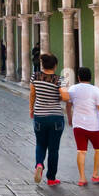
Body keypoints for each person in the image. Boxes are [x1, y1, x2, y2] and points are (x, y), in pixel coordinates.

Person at [28, 52, 70, 186]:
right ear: (55, 66)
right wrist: (59, 96)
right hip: (55, 117)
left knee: (40, 144)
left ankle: (39, 164)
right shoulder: (59, 79)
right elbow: (66, 97)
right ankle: (51, 178)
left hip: (39, 115)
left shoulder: (35, 76)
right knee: (53, 149)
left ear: (43, 65)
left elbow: (32, 94)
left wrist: (31, 109)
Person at [66, 65, 99, 186]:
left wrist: (69, 118)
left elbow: (68, 105)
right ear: (90, 78)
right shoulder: (95, 90)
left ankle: (82, 178)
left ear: (78, 77)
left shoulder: (73, 89)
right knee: (98, 149)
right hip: (94, 125)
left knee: (81, 151)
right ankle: (95, 174)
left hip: (78, 124)